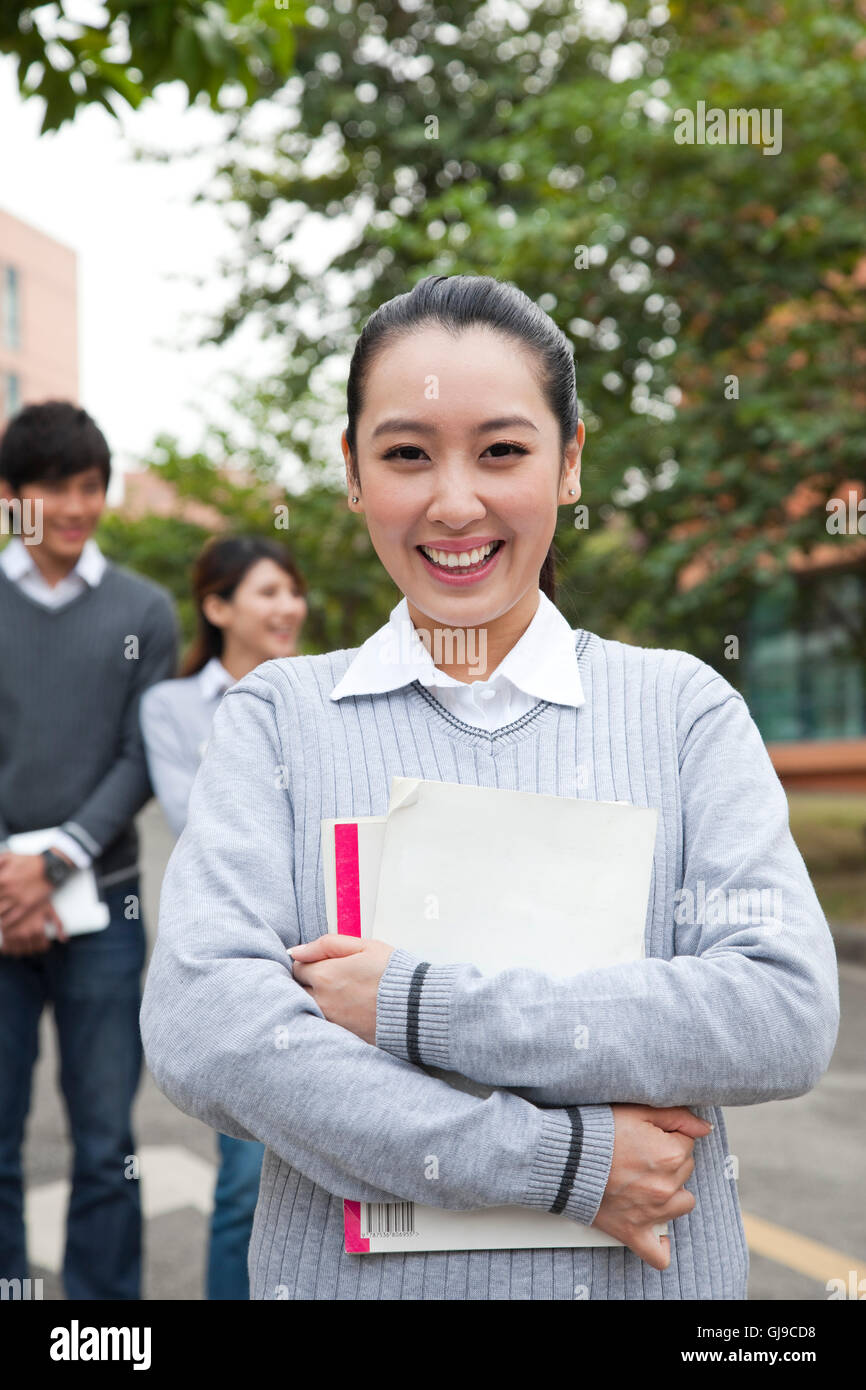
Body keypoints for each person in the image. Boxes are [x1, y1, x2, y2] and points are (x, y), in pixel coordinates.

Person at [139, 275, 840, 1300]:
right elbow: (211, 1030)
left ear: (570, 462)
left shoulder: (681, 710)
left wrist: (414, 1005)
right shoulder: (279, 719)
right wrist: (562, 1164)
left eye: (502, 450)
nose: (454, 500)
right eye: (406, 453)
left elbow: (777, 1009)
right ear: (350, 470)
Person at [0, 401, 178, 1299]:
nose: (75, 507)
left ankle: (100, 1330)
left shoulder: (144, 611)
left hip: (103, 911)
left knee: (106, 1144)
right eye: (53, 490)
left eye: (90, 487)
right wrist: (10, 885)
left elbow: (139, 757)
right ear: (10, 499)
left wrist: (53, 866)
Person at [139, 534, 308, 1299]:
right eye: (268, 592)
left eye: (292, 591)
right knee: (247, 1179)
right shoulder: (173, 706)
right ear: (217, 607)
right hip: (242, 955)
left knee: (336, 1175)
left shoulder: (319, 690)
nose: (288, 608)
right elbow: (193, 817)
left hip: (328, 950)